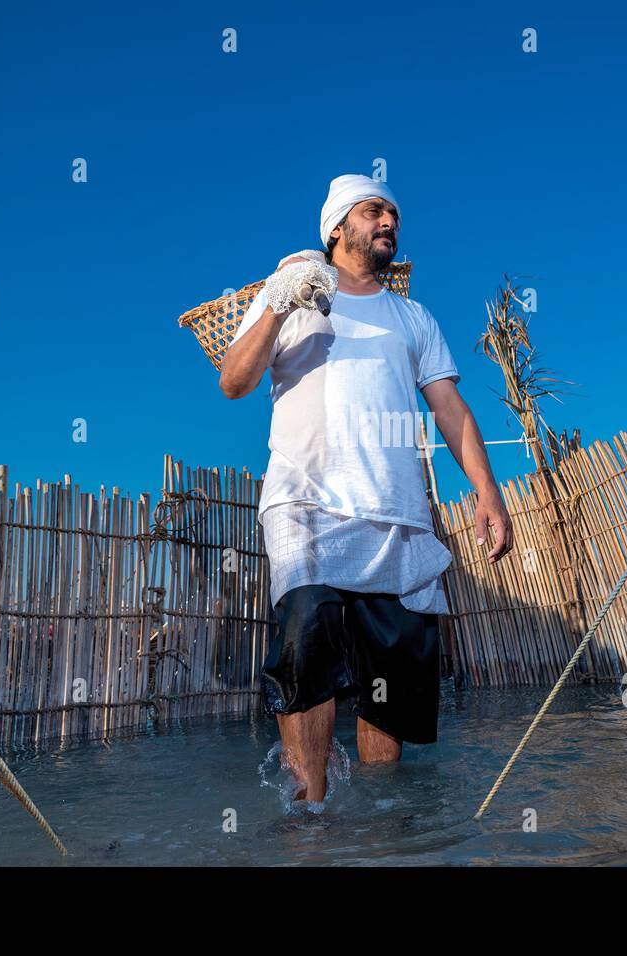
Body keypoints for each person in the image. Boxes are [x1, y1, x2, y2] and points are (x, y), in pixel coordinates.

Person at [219, 173, 513, 803]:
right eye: (373, 210)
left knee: (392, 673)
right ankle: (311, 815)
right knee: (306, 646)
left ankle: (383, 820)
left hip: (397, 512)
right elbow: (234, 381)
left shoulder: (412, 317)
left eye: (393, 215)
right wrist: (277, 300)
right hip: (306, 503)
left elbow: (449, 409)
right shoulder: (289, 296)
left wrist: (488, 493)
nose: (388, 221)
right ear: (336, 228)